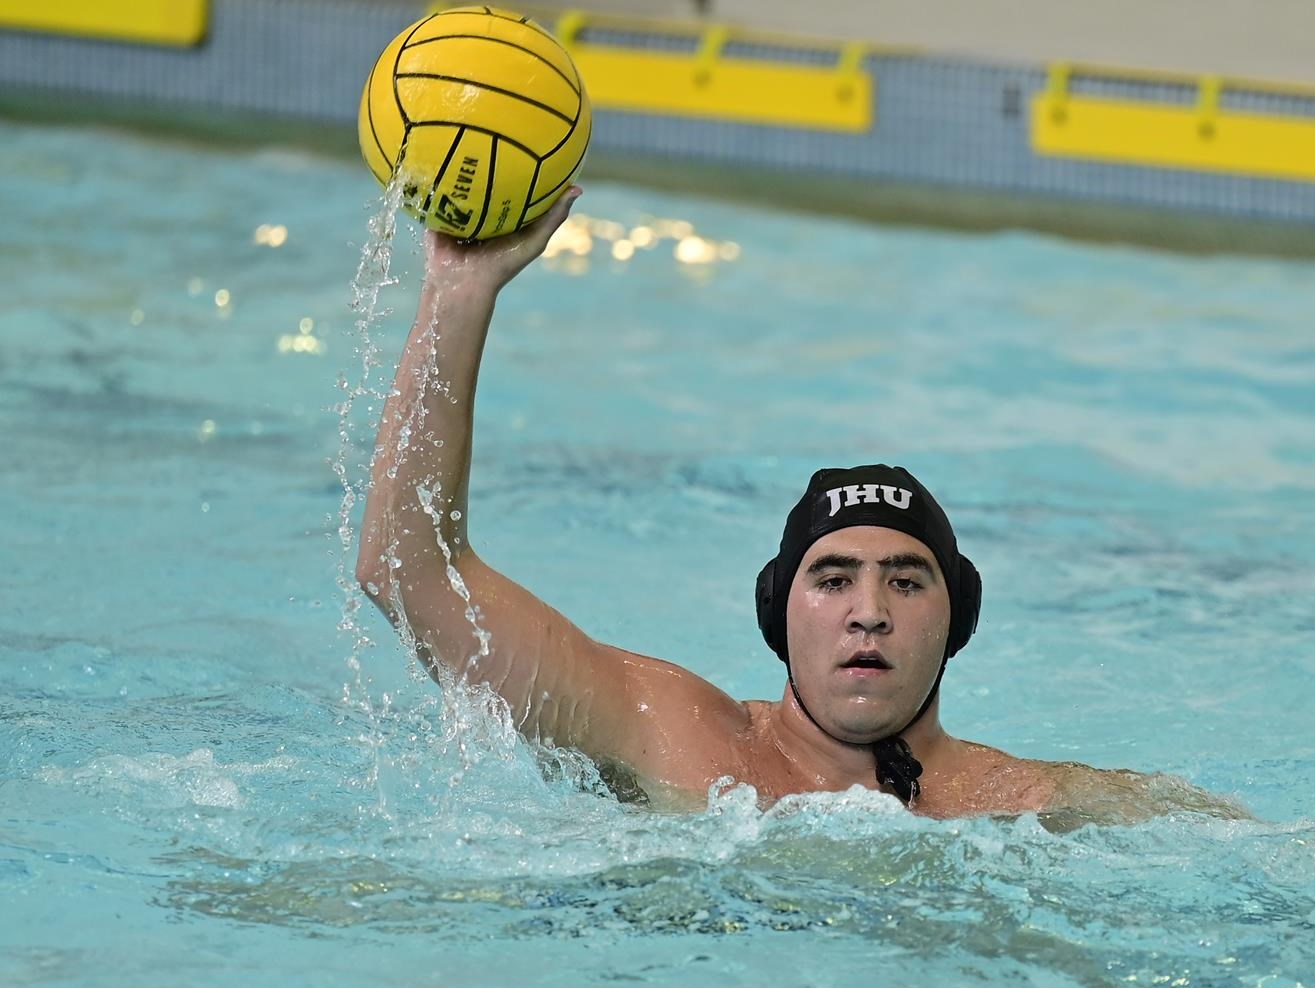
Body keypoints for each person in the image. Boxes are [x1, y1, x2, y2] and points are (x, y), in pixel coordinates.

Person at [357, 188, 1250, 825]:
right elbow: (406, 571)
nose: (869, 611)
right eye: (832, 579)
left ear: (958, 616)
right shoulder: (670, 734)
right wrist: (458, 292)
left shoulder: (1034, 805)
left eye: (906, 581)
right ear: (776, 612)